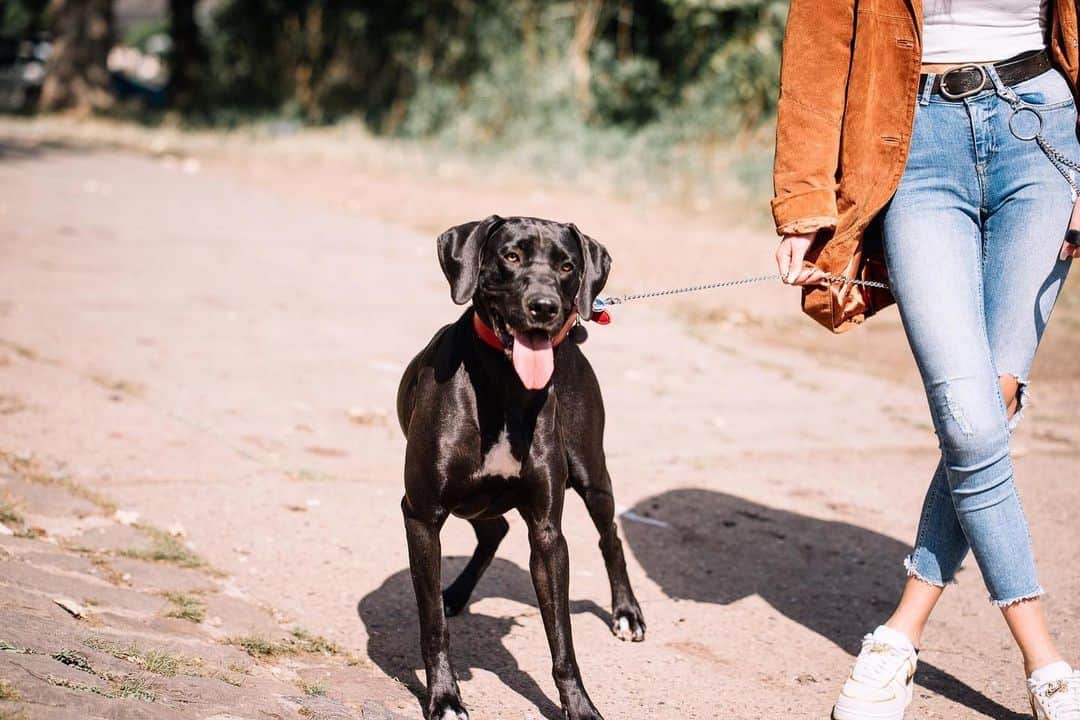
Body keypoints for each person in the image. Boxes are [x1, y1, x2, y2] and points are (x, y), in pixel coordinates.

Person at [772, 1, 1080, 719]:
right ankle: (1046, 661)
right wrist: (802, 202)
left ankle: (898, 635)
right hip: (910, 145)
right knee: (970, 420)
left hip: (1040, 134)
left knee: (990, 406)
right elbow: (819, 43)